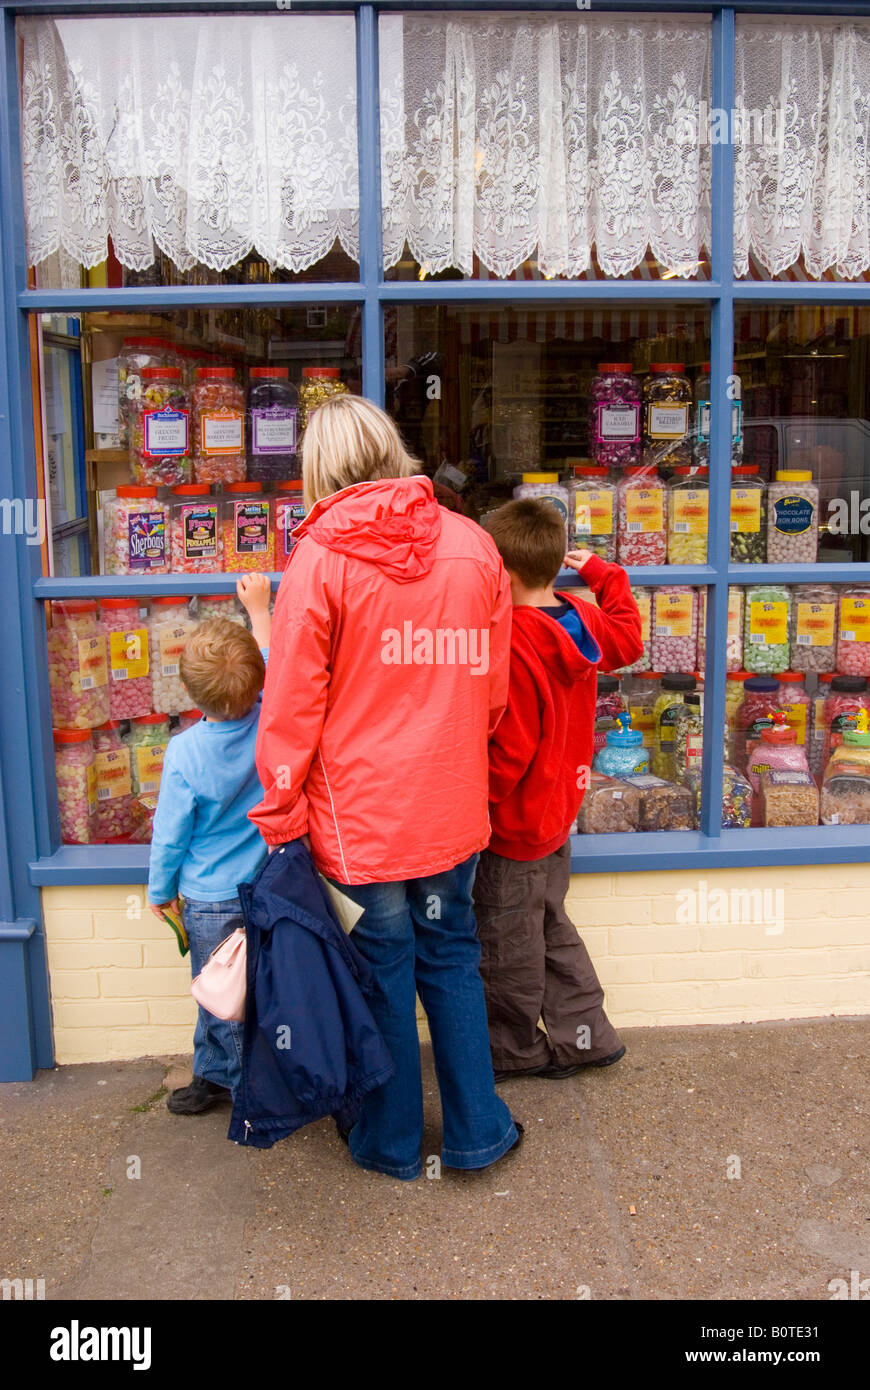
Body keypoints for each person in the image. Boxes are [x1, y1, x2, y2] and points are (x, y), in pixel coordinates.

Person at [249, 394, 522, 1181]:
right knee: (451, 958)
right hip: (451, 804)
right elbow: (492, 693)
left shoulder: (318, 563)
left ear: (320, 469)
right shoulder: (473, 547)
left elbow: (291, 707)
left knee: (385, 972)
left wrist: (278, 811)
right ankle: (478, 1133)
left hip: (361, 821)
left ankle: (391, 1142)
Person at [474, 498, 644, 1081]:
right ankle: (585, 1036)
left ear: (502, 572)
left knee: (506, 946)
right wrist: (604, 572)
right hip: (559, 811)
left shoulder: (515, 643)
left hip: (515, 823)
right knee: (551, 924)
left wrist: (472, 805)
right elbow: (628, 637)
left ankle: (514, 1052)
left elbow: (510, 751)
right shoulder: (583, 617)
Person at [147, 573, 273, 1115]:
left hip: (208, 898)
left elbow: (169, 834)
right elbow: (273, 662)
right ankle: (261, 1072)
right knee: (263, 982)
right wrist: (260, 609)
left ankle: (222, 1078)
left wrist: (159, 891)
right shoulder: (271, 717)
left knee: (218, 990)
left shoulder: (183, 752)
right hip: (268, 885)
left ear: (191, 692)